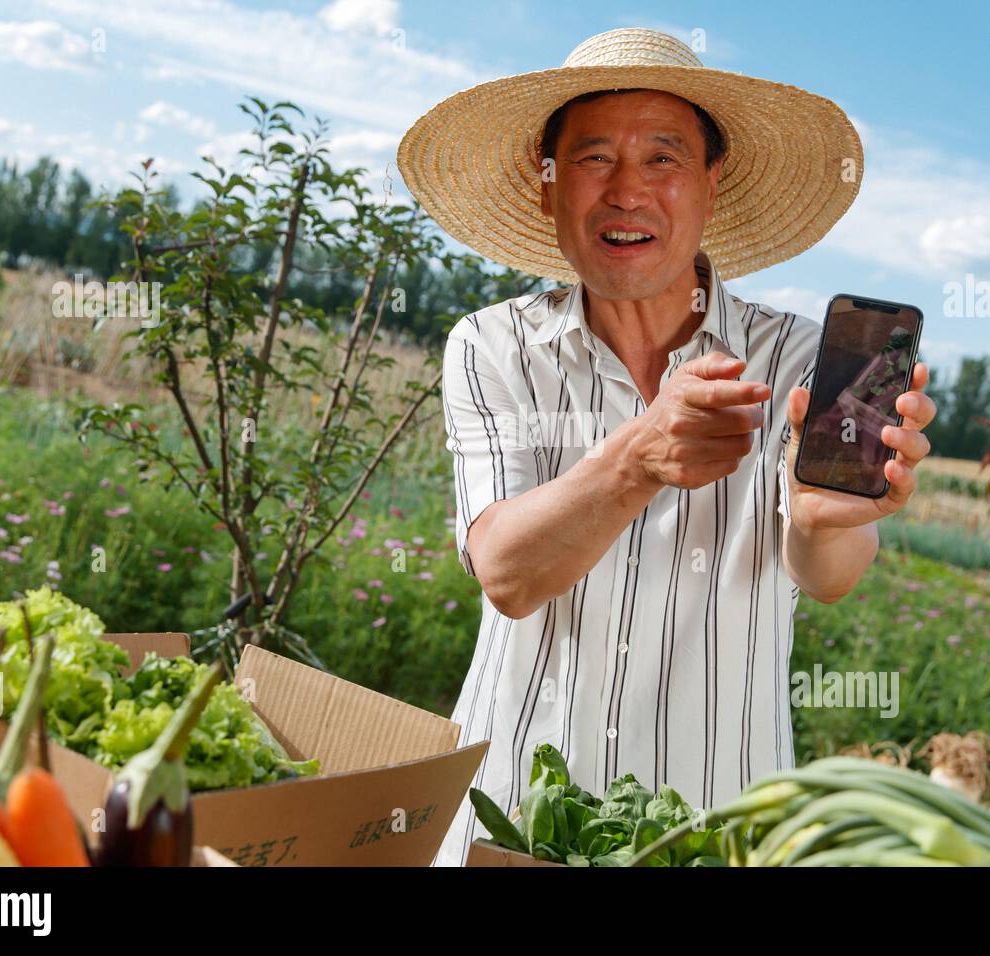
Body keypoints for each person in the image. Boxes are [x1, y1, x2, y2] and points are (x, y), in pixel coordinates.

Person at [396, 27, 937, 866]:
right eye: (593, 159)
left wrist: (826, 522)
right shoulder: (491, 345)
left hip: (710, 825)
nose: (627, 192)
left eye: (663, 158)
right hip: (510, 818)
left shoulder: (799, 360)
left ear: (712, 184)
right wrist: (639, 455)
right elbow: (506, 573)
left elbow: (828, 578)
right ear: (546, 186)